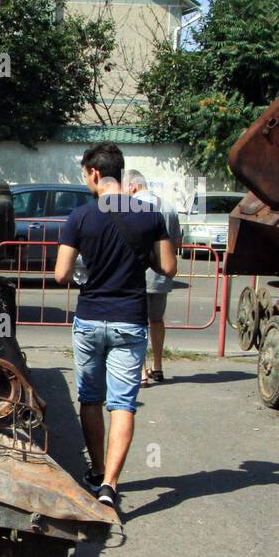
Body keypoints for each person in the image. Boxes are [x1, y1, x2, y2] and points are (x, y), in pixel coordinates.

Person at [54, 143, 177, 509]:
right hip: (130, 319)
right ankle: (109, 484)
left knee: (91, 398)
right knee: (123, 403)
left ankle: (95, 468)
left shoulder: (79, 218)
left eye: (84, 175)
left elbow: (61, 274)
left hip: (90, 318)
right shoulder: (150, 215)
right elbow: (167, 268)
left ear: (95, 173)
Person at [124, 170, 181, 386]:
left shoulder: (130, 208)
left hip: (135, 273)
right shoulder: (168, 207)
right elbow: (176, 243)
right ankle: (158, 366)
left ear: (132, 187)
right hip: (161, 276)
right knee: (157, 320)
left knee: (136, 322)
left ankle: (141, 373)